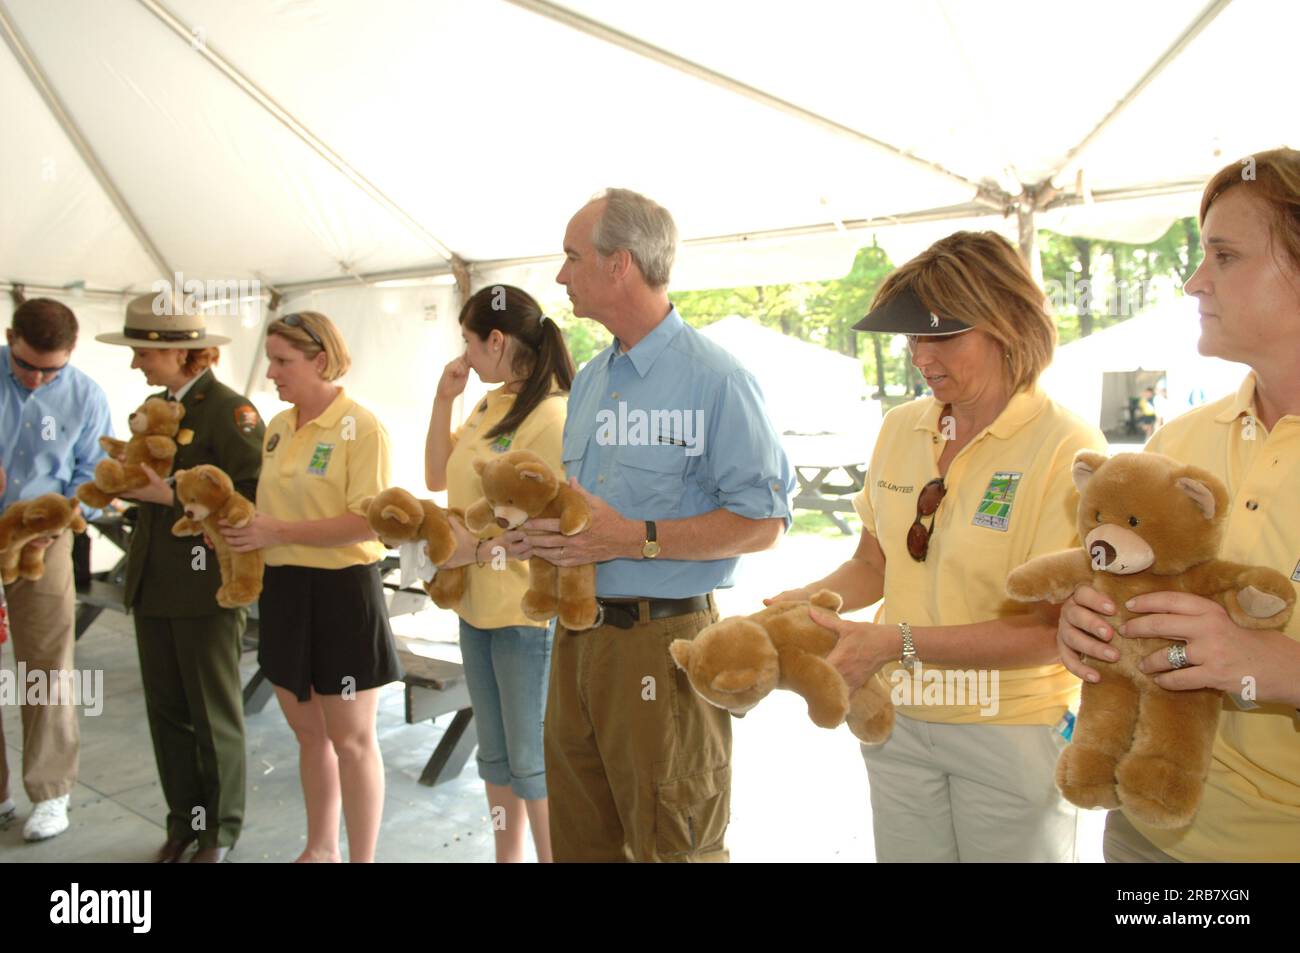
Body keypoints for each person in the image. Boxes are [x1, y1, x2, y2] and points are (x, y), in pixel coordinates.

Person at [771, 231, 1108, 862]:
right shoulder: (902, 427)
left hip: (1012, 728)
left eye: (941, 336)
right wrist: (803, 601)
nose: (921, 357)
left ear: (1007, 325)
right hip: (895, 717)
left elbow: (1053, 630)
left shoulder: (1066, 445)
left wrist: (895, 643)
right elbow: (875, 562)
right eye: (912, 338)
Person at [507, 188, 795, 862]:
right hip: (577, 640)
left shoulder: (715, 378)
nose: (559, 274)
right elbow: (587, 516)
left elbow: (765, 521)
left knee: (676, 843)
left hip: (665, 643)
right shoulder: (590, 381)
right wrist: (540, 536)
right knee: (580, 842)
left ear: (620, 265)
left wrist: (639, 537)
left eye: (572, 257)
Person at [1057, 148, 1300, 863]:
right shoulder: (1177, 444)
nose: (1195, 281)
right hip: (1146, 828)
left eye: (1223, 256)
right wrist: (1083, 625)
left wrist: (1267, 663)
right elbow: (1124, 589)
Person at [222, 311, 397, 863]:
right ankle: (320, 849)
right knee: (308, 735)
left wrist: (277, 530)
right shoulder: (277, 427)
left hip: (344, 594)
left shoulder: (361, 427)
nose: (271, 372)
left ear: (319, 360)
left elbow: (370, 522)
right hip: (286, 591)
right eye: (270, 359)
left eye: (282, 361)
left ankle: (361, 858)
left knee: (351, 740)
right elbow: (269, 510)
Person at [96, 292, 264, 862]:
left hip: (206, 586)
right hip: (154, 583)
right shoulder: (157, 407)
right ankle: (186, 822)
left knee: (211, 714)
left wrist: (166, 493)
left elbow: (249, 496)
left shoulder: (230, 411)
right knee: (167, 714)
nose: (136, 363)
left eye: (142, 351)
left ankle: (220, 829)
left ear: (180, 352)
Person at [424, 284, 574, 862]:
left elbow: (552, 528)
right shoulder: (490, 403)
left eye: (467, 339)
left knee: (533, 764)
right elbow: (438, 475)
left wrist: (476, 553)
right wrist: (445, 400)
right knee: (496, 759)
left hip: (524, 617)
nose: (462, 352)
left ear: (496, 339)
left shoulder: (550, 415)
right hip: (476, 611)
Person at [0, 297, 113, 841]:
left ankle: (50, 793)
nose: (39, 378)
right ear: (9, 337)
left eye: (52, 368)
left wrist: (68, 514)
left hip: (45, 545)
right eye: (26, 366)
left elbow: (94, 475)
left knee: (45, 668)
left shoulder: (87, 394)